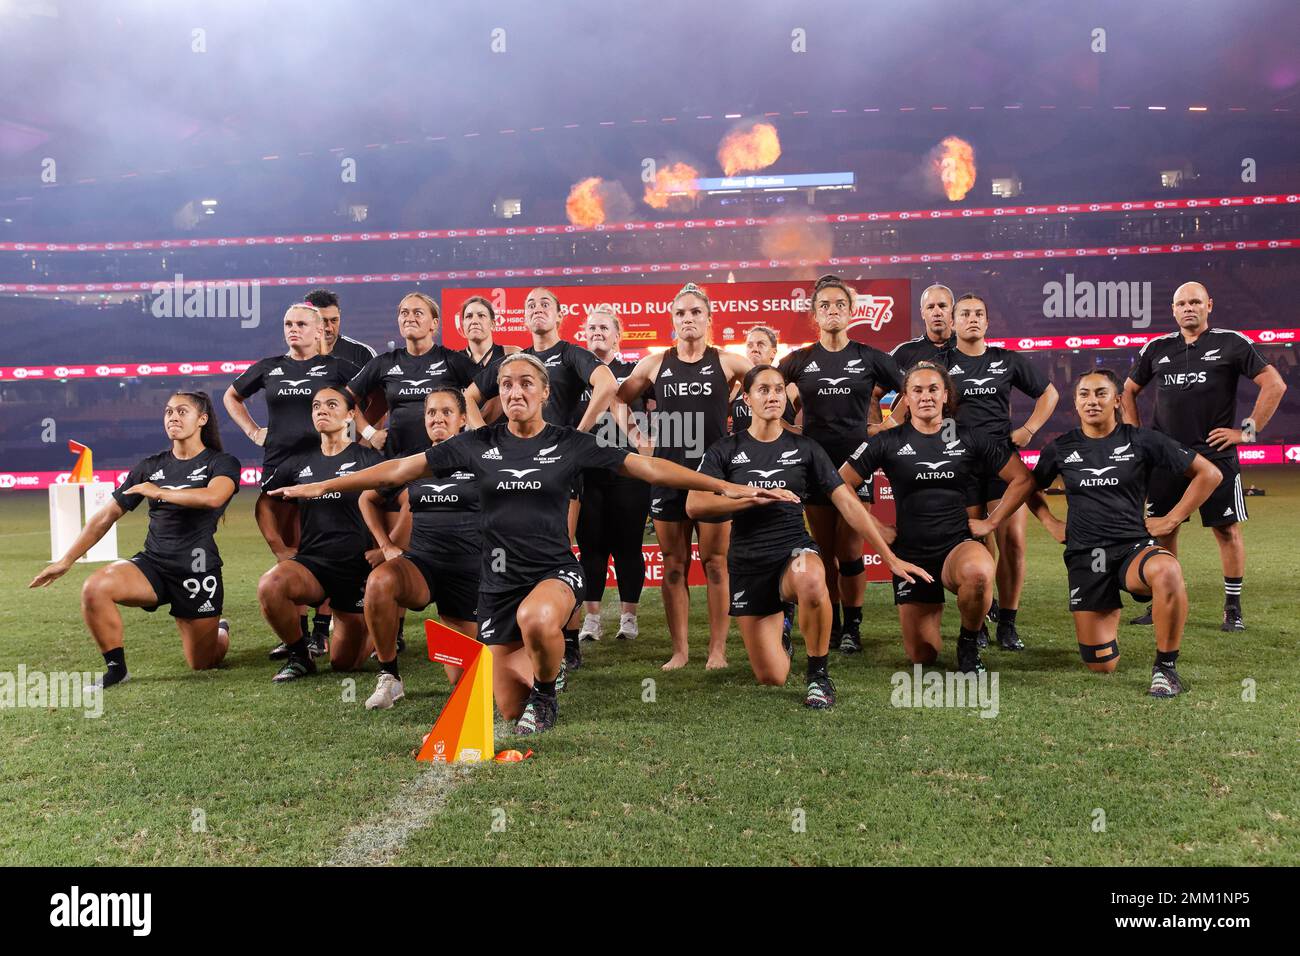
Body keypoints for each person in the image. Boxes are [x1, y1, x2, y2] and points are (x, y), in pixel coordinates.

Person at [274, 354, 776, 736]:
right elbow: (400, 469)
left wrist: (721, 485)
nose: (514, 391)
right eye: (506, 384)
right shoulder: (477, 442)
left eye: (526, 384)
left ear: (543, 391)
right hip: (496, 586)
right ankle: (539, 677)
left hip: (554, 572)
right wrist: (322, 487)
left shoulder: (569, 442)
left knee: (539, 623)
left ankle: (547, 694)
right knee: (506, 707)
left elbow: (646, 466)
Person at [690, 365, 931, 706]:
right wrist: (749, 496)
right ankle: (783, 631)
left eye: (777, 389)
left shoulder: (805, 448)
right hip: (748, 562)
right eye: (762, 390)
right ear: (746, 399)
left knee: (812, 577)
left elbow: (847, 503)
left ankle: (818, 675)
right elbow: (694, 504)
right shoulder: (725, 449)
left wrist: (888, 556)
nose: (772, 396)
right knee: (772, 677)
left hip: (792, 551)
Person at [1030, 370, 1223, 697]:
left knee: (1168, 569)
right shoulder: (1061, 448)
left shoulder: (1142, 440)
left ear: (1118, 400)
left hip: (1132, 550)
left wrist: (1172, 519)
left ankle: (1166, 668)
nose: (1092, 401)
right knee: (1101, 665)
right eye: (1084, 394)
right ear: (1075, 403)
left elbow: (1209, 473)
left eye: (1101, 393)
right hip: (1086, 556)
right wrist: (1050, 521)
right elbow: (1028, 488)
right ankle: (1107, 605)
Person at [29, 392, 239, 686]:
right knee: (95, 588)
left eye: (182, 411)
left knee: (202, 663)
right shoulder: (150, 466)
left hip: (198, 570)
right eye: (168, 412)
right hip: (153, 564)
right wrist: (66, 560)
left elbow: (214, 497)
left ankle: (220, 630)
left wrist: (160, 492)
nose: (173, 417)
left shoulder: (222, 463)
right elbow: (105, 516)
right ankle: (117, 670)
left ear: (202, 419)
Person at [464, 287, 619, 674]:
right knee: (514, 549)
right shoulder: (516, 361)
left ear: (560, 315)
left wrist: (577, 435)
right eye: (530, 304)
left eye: (544, 304)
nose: (536, 309)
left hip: (559, 471)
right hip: (513, 471)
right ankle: (525, 631)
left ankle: (567, 641)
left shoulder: (570, 354)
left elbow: (608, 384)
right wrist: (486, 441)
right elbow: (467, 395)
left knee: (560, 552)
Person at [843, 363, 1035, 673]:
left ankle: (969, 642)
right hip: (911, 555)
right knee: (923, 657)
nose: (926, 396)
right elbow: (840, 485)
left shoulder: (968, 437)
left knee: (980, 574)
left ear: (946, 395)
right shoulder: (888, 441)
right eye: (916, 390)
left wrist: (990, 522)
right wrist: (876, 527)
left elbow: (1023, 479)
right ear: (905, 397)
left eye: (933, 389)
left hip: (957, 546)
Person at [1121, 282, 1287, 631]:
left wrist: (1247, 431)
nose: (1188, 308)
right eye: (1181, 303)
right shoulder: (1158, 347)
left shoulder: (1231, 343)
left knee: (1226, 531)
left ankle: (1233, 608)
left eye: (1195, 301)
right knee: (1163, 532)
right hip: (1166, 458)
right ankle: (1162, 603)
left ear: (1209, 305)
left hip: (1216, 454)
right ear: (1173, 309)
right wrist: (1136, 437)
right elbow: (1128, 391)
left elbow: (1274, 384)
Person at [617, 282, 754, 670]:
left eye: (696, 312)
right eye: (681, 313)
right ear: (672, 320)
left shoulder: (727, 361)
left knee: (715, 564)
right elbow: (617, 398)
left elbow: (770, 384)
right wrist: (638, 440)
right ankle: (680, 651)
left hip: (713, 476)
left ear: (709, 319)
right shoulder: (655, 364)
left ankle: (717, 650)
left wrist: (749, 431)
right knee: (674, 564)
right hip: (669, 475)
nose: (688, 319)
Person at [223, 303, 362, 657]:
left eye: (301, 323)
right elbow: (232, 396)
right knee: (288, 544)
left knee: (324, 541)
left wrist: (364, 433)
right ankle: (296, 633)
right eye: (287, 323)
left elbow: (368, 396)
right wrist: (253, 431)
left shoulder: (337, 368)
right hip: (279, 461)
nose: (293, 329)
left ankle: (320, 630)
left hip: (325, 459)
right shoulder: (270, 368)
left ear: (320, 331)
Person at [778, 274, 903, 654]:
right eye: (825, 305)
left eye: (840, 305)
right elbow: (764, 395)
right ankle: (831, 624)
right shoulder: (798, 360)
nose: (833, 311)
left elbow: (912, 386)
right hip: (814, 468)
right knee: (825, 549)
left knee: (850, 551)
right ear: (815, 314)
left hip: (856, 466)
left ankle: (853, 626)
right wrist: (787, 431)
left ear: (851, 312)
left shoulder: (869, 357)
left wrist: (888, 425)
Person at [354, 387, 481, 710]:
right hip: (422, 566)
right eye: (431, 413)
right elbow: (366, 496)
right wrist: (387, 546)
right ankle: (390, 677)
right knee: (380, 582)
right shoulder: (414, 461)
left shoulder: (481, 457)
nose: (438, 418)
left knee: (465, 680)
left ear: (463, 419)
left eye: (447, 412)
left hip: (469, 573)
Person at [944, 293, 1058, 651]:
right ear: (953, 323)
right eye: (965, 314)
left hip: (1003, 464)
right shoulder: (941, 362)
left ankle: (1008, 622)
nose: (972, 319)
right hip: (960, 465)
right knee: (974, 544)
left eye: (979, 313)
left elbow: (1049, 394)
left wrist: (1027, 430)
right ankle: (977, 620)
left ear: (988, 322)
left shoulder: (1005, 360)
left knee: (1013, 542)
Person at [258, 387, 384, 682]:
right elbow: (265, 502)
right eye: (316, 406)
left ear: (351, 414)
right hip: (313, 564)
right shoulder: (298, 462)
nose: (322, 410)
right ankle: (300, 656)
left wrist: (386, 548)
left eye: (331, 404)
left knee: (345, 664)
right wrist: (279, 547)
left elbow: (401, 503)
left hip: (355, 568)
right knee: (270, 586)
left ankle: (376, 628)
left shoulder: (368, 459)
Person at [573, 306, 652, 644]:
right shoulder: (573, 371)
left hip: (626, 470)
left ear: (618, 336)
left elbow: (651, 415)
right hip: (586, 472)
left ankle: (628, 617)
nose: (597, 333)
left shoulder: (633, 372)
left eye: (604, 328)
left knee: (628, 546)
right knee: (591, 547)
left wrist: (646, 444)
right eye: (591, 328)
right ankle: (591, 619)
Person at [729, 326, 795, 433]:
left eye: (761, 344)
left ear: (773, 352)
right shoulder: (736, 389)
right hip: (742, 449)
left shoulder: (790, 388)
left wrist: (793, 429)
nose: (754, 349)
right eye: (750, 345)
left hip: (780, 448)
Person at [889, 283, 957, 370]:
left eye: (942, 306)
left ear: (953, 311)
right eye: (930, 307)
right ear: (922, 313)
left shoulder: (968, 347)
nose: (937, 313)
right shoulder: (904, 352)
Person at [306, 288, 377, 370]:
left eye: (334, 320)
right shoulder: (294, 357)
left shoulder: (363, 354)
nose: (329, 328)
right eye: (322, 321)